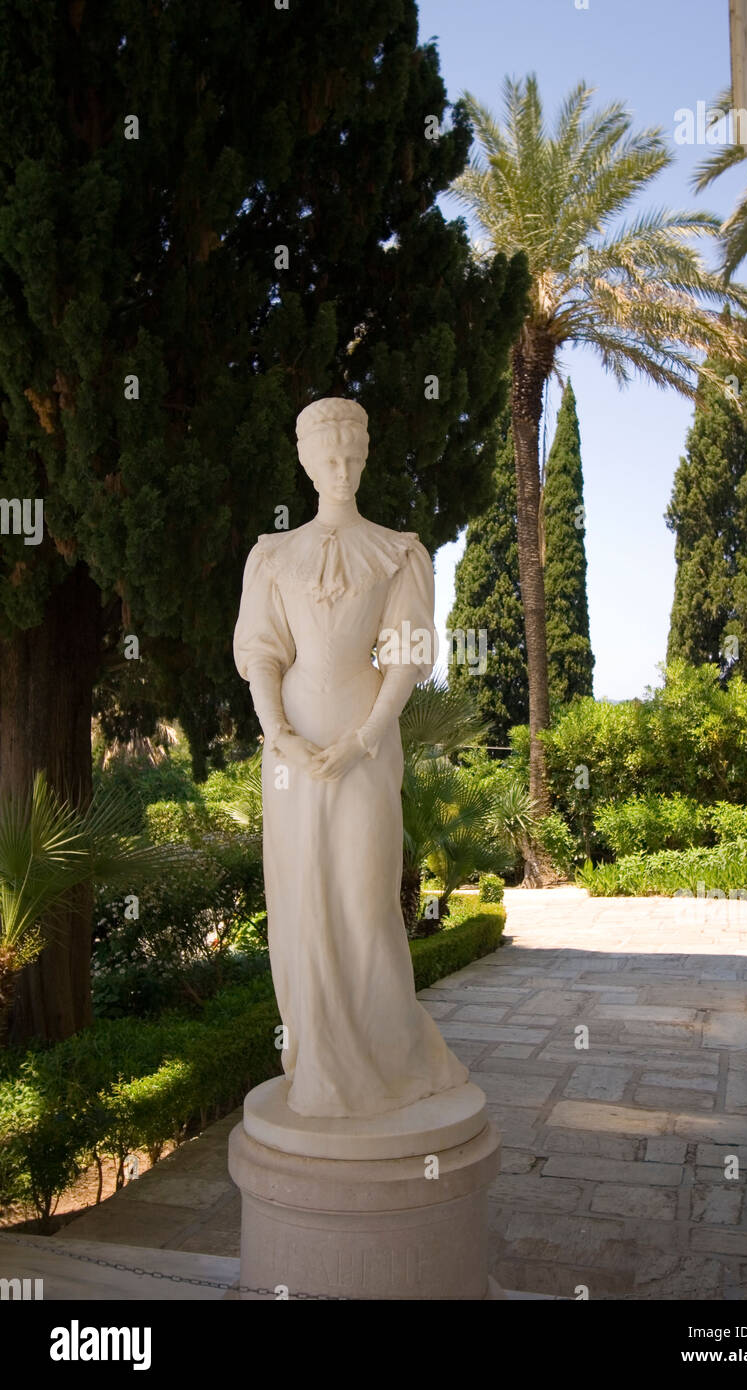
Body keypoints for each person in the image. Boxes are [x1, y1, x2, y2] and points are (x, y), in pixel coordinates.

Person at [233, 397, 468, 1117]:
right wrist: (279, 733)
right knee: (302, 898)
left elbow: (405, 655)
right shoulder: (272, 556)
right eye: (327, 458)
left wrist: (366, 738)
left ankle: (387, 1060)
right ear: (305, 463)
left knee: (364, 901)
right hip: (291, 751)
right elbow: (262, 651)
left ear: (366, 458)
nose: (341, 470)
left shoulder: (398, 551)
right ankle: (318, 1063)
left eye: (352, 457)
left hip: (366, 743)